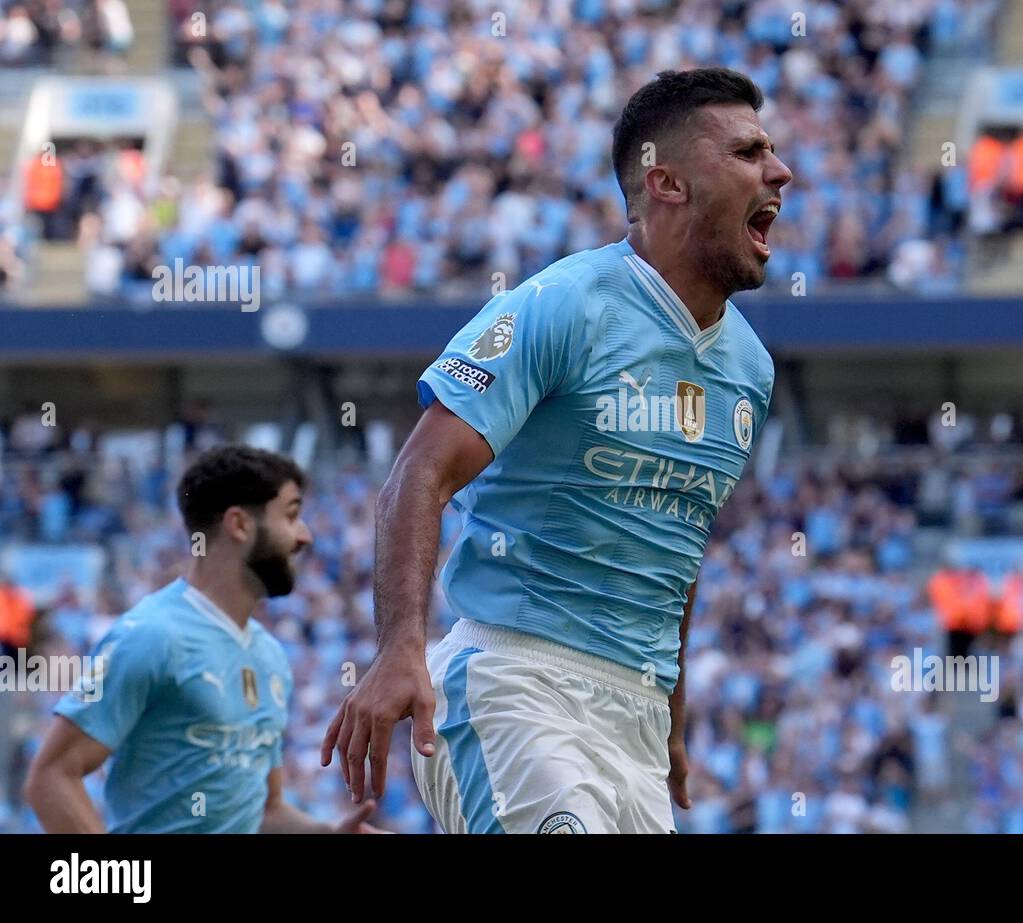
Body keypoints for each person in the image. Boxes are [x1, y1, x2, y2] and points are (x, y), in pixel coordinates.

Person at [322, 67, 793, 833]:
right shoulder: (562, 305)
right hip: (514, 683)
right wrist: (400, 643)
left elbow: (677, 542)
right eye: (747, 152)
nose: (780, 170)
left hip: (635, 719)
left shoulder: (750, 368)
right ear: (666, 182)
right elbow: (419, 471)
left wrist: (670, 714)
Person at [24, 445, 381, 833]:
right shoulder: (151, 637)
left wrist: (328, 834)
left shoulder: (269, 655)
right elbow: (51, 778)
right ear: (240, 525)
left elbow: (266, 811)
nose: (305, 536)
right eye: (292, 515)